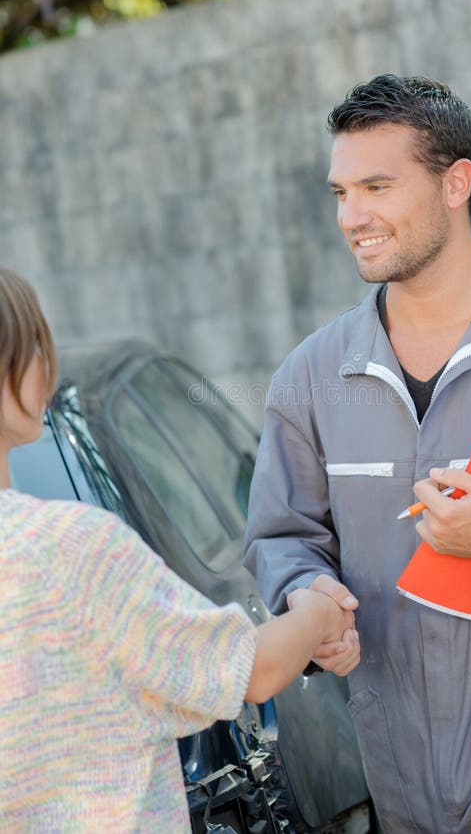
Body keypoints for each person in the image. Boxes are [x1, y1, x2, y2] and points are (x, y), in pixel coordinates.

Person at [243, 75, 471, 833]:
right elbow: (284, 539)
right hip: (393, 754)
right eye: (340, 192)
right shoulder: (310, 377)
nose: (352, 216)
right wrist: (309, 602)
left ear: (455, 183)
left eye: (376, 185)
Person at [0, 267, 355, 833]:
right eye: (37, 346)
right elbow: (250, 671)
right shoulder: (67, 551)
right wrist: (319, 612)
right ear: (15, 369)